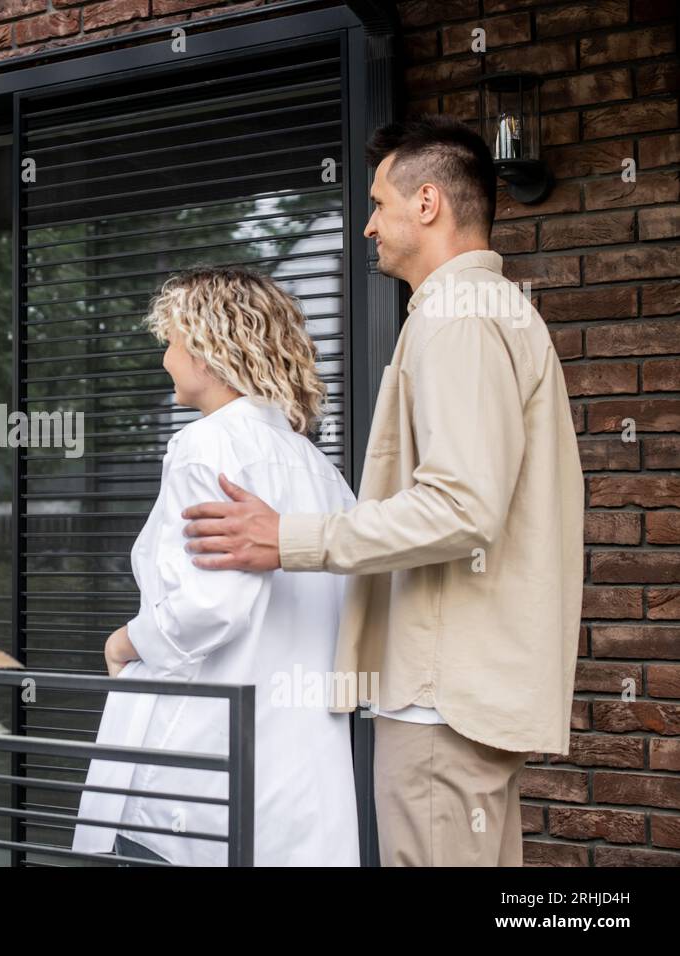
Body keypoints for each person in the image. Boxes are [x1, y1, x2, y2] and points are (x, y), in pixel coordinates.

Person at [180, 116, 584, 866]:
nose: (367, 226)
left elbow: (464, 506)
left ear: (426, 203)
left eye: (377, 203)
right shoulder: (492, 312)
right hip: (463, 692)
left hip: (439, 701)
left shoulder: (458, 319)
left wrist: (288, 538)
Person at [71, 266, 360, 867]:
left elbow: (212, 604)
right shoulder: (321, 472)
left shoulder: (205, 447)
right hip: (297, 777)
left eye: (172, 342)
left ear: (209, 349)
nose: (166, 359)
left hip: (198, 772)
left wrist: (127, 642)